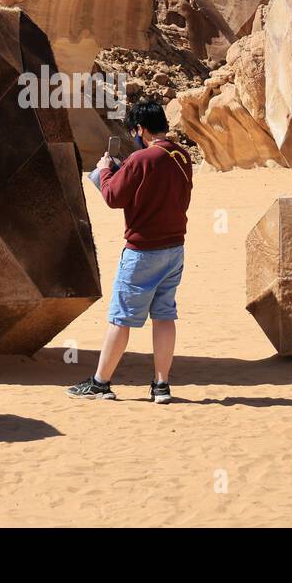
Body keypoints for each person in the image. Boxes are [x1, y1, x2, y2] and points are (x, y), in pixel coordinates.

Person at [67, 100, 193, 404]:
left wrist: (103, 171)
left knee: (120, 318)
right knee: (164, 315)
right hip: (174, 247)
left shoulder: (141, 159)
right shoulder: (182, 155)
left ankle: (100, 382)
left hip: (143, 250)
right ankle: (161, 386)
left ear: (139, 129)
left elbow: (112, 196)